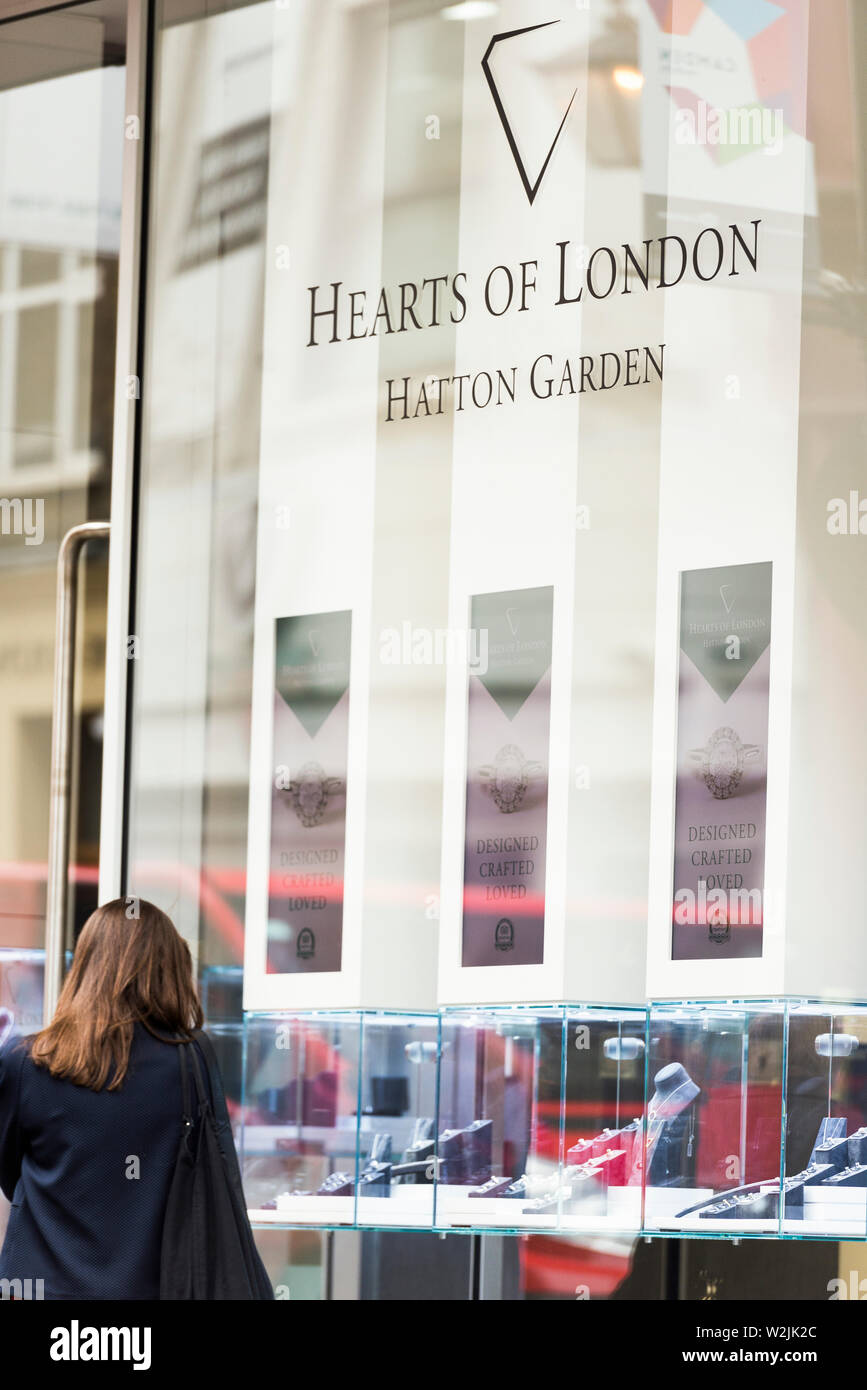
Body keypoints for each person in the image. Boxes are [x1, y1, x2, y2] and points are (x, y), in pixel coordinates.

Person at [0, 897, 247, 1300]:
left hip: (38, 1288)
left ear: (83, 967)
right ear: (167, 970)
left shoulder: (26, 1062)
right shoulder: (190, 1058)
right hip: (151, 1287)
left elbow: (11, 1176)